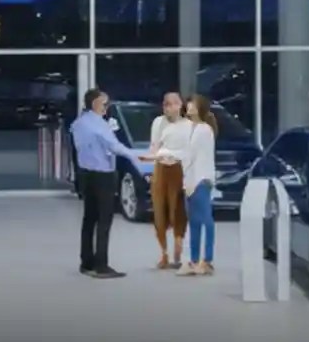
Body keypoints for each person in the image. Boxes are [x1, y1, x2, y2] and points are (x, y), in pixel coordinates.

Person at [144, 93, 217, 276]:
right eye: (189, 104)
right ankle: (191, 261)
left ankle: (206, 260)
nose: (188, 107)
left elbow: (189, 154)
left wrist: (161, 154)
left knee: (205, 219)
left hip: (201, 179)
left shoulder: (204, 130)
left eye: (192, 104)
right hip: (189, 179)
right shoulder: (191, 128)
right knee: (193, 221)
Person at [70, 88, 140, 279]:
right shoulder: (98, 125)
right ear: (94, 104)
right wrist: (138, 155)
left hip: (86, 174)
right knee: (104, 220)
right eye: (105, 103)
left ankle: (86, 262)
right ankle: (101, 265)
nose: (107, 107)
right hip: (103, 176)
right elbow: (114, 146)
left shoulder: (78, 123)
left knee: (89, 218)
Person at [147, 92, 190, 269]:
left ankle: (178, 251)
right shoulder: (158, 122)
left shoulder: (188, 126)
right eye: (166, 104)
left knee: (178, 211)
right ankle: (164, 253)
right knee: (159, 213)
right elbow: (154, 146)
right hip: (161, 169)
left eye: (173, 103)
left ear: (180, 105)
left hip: (179, 170)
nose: (169, 107)